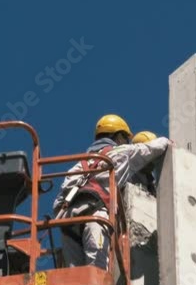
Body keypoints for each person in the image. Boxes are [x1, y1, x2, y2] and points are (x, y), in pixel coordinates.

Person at [53, 114, 171, 269]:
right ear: (119, 137)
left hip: (67, 224)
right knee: (97, 272)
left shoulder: (79, 165)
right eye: (125, 139)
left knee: (75, 280)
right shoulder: (120, 153)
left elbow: (58, 203)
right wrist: (167, 142)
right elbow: (149, 149)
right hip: (95, 216)